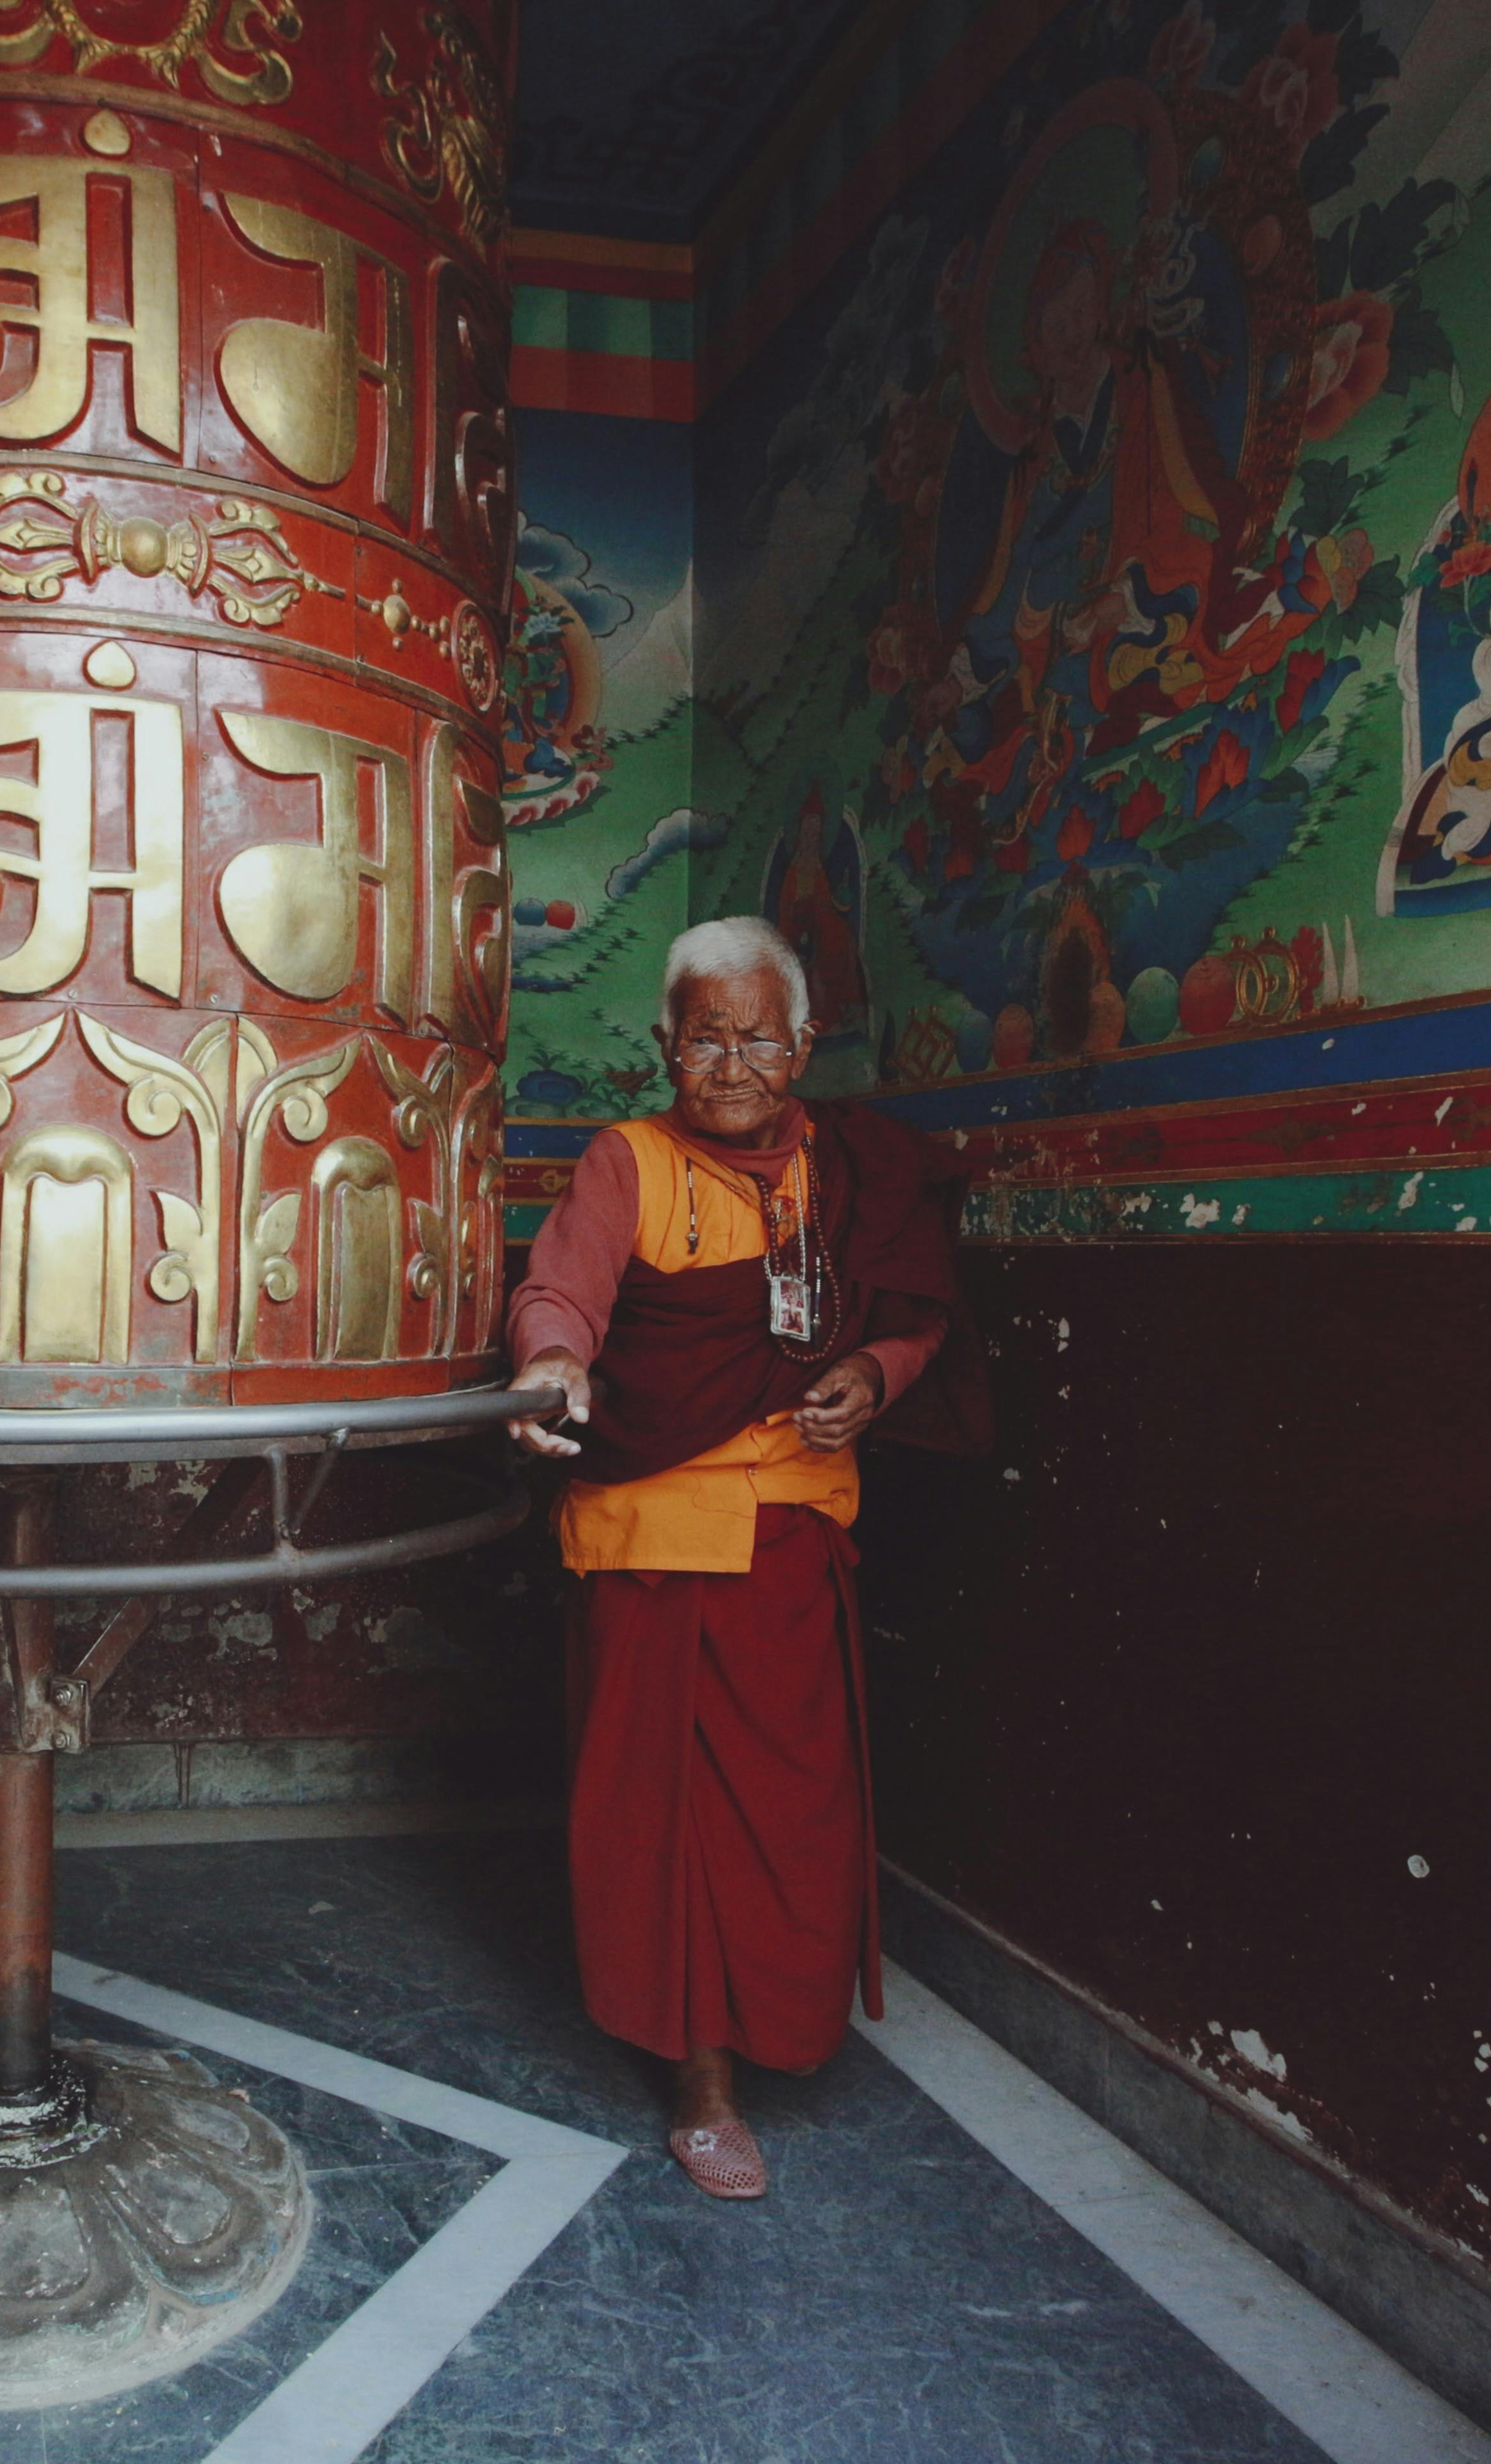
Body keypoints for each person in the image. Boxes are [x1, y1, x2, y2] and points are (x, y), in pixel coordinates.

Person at [505, 916, 981, 2200]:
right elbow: (565, 1289)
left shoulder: (853, 1170)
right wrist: (553, 1361)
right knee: (671, 1830)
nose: (729, 1064)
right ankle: (702, 2088)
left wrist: (871, 1380)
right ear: (665, 1045)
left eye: (755, 1037)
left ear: (802, 1043)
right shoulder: (630, 1162)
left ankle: (776, 2024)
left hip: (791, 1542)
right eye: (704, 1038)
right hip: (655, 1547)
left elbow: (915, 1317)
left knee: (786, 1820)